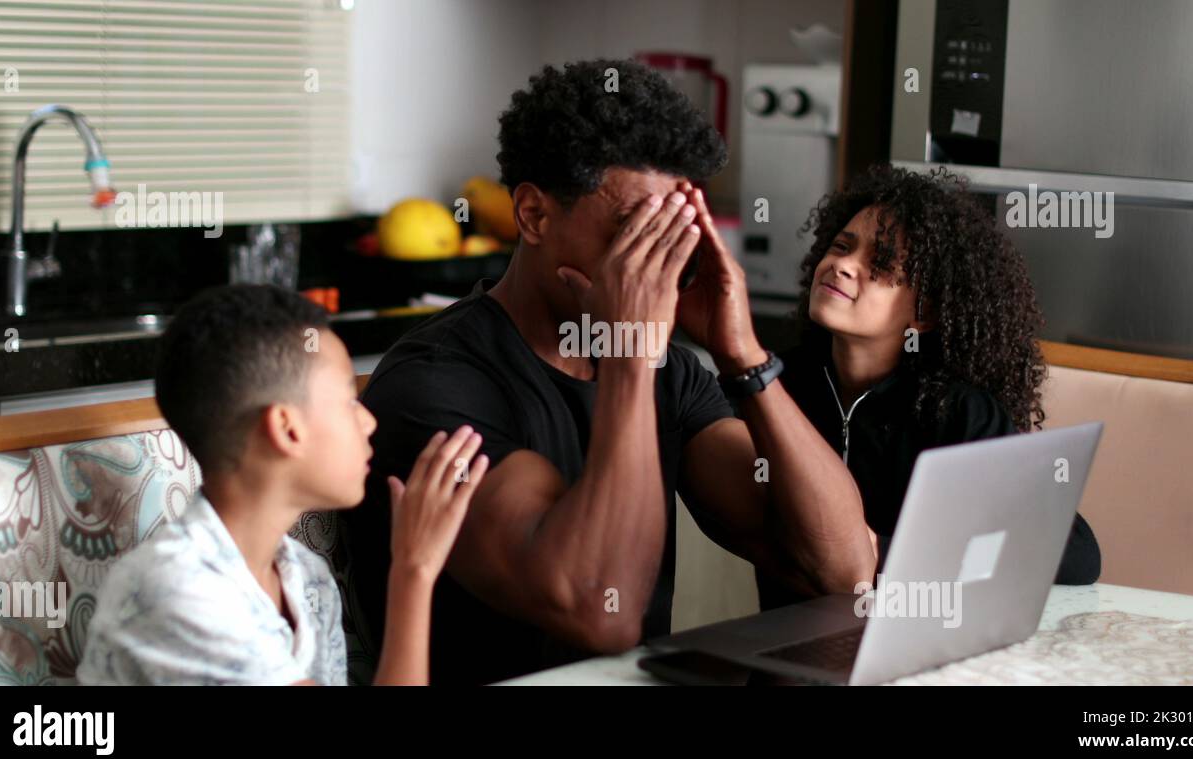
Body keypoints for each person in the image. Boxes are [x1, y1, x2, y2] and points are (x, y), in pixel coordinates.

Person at [345, 59, 876, 684]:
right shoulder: (433, 385)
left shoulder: (669, 373)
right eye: (634, 233)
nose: (661, 265)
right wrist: (631, 350)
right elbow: (601, 612)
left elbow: (842, 570)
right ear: (534, 216)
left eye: (672, 235)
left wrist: (744, 359)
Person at [77, 284, 487, 685]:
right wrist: (414, 571)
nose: (369, 421)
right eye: (348, 401)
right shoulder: (178, 589)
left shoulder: (306, 577)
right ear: (286, 429)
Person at [762, 165, 1102, 609]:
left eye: (880, 265)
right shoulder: (775, 383)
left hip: (915, 656)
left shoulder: (957, 411)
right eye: (841, 246)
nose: (843, 265)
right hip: (784, 654)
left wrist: (881, 552)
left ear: (923, 315)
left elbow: (1078, 556)